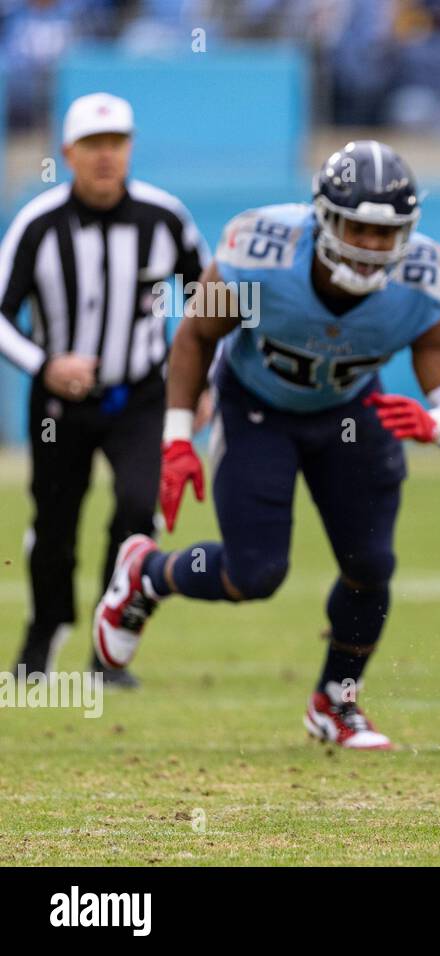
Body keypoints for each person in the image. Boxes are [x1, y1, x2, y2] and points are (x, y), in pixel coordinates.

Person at [91, 141, 440, 748]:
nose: (373, 246)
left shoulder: (420, 280)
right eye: (359, 227)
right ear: (324, 217)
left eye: (388, 232)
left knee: (371, 565)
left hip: (352, 410)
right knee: (256, 573)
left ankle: (335, 702)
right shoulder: (262, 252)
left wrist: (438, 425)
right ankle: (147, 573)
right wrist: (176, 441)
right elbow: (196, 336)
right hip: (257, 408)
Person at [0, 92, 206, 687]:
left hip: (142, 397)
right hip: (60, 404)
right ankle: (43, 636)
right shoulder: (38, 224)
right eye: (92, 145)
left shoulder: (164, 217)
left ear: (130, 146)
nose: (104, 155)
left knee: (140, 511)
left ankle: (107, 649)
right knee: (56, 524)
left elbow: (211, 302)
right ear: (67, 152)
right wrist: (45, 365)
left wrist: (206, 381)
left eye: (115, 143)